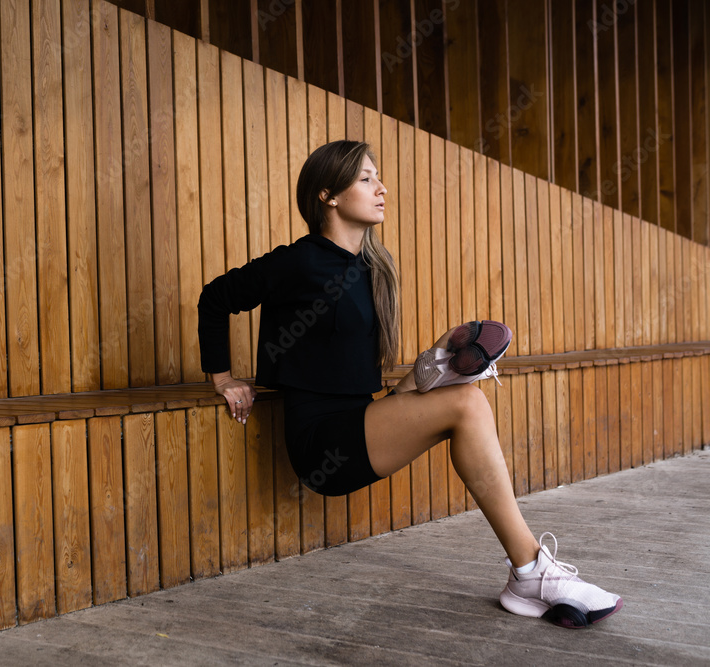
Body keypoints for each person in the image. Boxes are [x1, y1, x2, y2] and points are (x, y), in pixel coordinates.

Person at [197, 140, 623, 629]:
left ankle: (528, 572)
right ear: (327, 195)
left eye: (378, 178)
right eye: (365, 179)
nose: (381, 189)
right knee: (466, 403)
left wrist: (429, 371)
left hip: (358, 422)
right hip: (321, 443)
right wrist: (223, 378)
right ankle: (530, 574)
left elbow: (357, 387)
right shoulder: (299, 262)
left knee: (465, 397)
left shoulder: (369, 271)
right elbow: (215, 298)